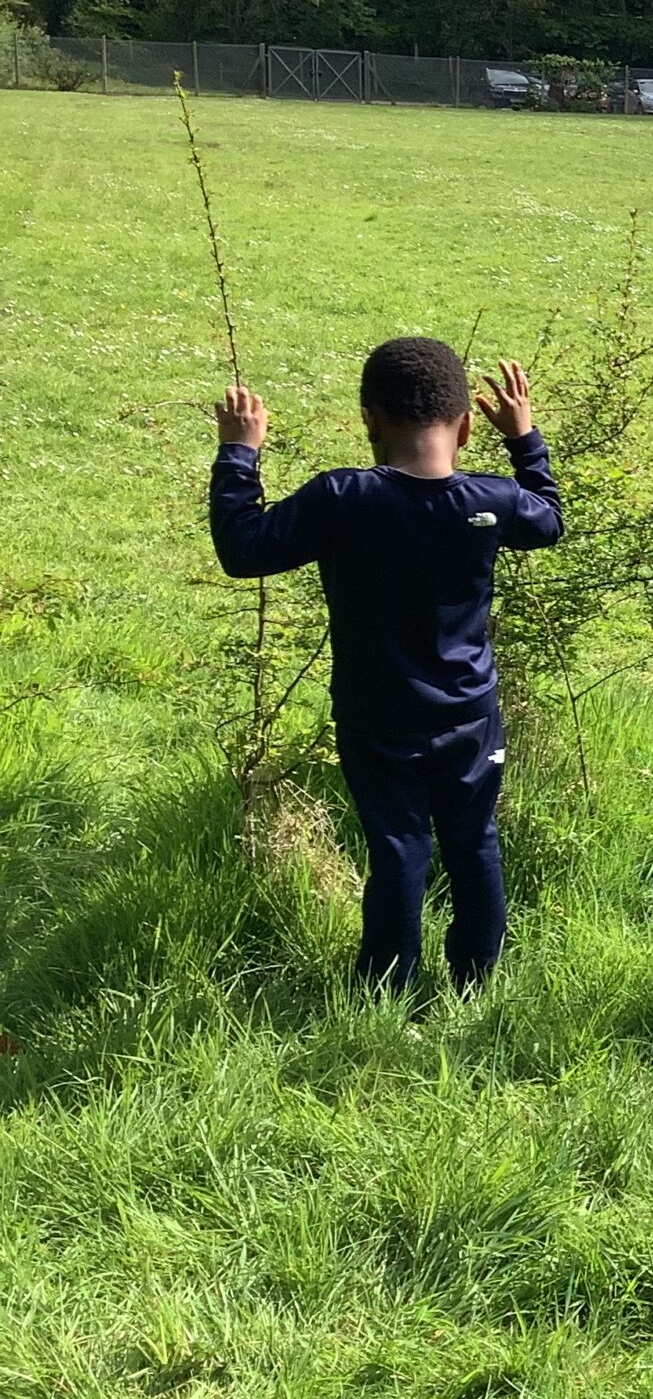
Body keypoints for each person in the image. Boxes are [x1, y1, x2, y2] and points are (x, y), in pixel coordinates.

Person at [210, 337, 564, 1001]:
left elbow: (243, 549)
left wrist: (240, 453)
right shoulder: (492, 500)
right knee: (472, 840)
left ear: (368, 418)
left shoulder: (341, 498)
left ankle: (385, 991)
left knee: (398, 849)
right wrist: (525, 440)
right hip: (469, 716)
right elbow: (548, 521)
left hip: (375, 718)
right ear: (465, 425)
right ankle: (476, 986)